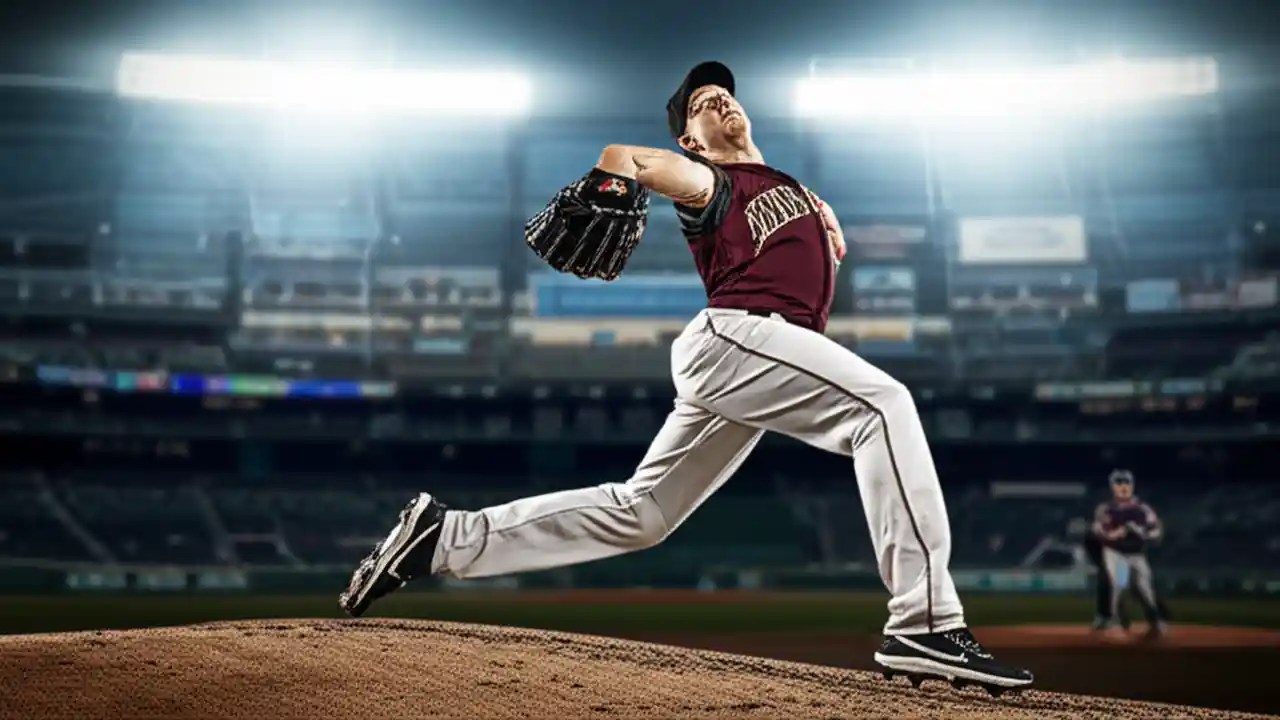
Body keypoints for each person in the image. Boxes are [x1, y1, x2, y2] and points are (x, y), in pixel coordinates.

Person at [339, 61, 1033, 694]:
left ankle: (444, 538)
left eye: (723, 93)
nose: (719, 99)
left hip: (751, 358)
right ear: (693, 141)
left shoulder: (786, 188)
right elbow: (634, 160)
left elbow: (799, 238)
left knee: (643, 513)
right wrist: (616, 172)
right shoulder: (714, 182)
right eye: (702, 104)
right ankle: (925, 620)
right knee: (881, 409)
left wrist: (818, 212)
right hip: (740, 336)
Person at [1091, 469, 1169, 637]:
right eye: (1119, 483)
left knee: (1144, 588)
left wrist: (1142, 533)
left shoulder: (1143, 509)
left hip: (1137, 554)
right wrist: (1115, 534)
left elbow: (1156, 531)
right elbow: (1098, 530)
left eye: (1126, 483)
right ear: (1112, 487)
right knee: (1120, 584)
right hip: (1116, 552)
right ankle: (1116, 622)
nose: (1123, 487)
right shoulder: (1106, 509)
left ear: (1132, 485)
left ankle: (1156, 622)